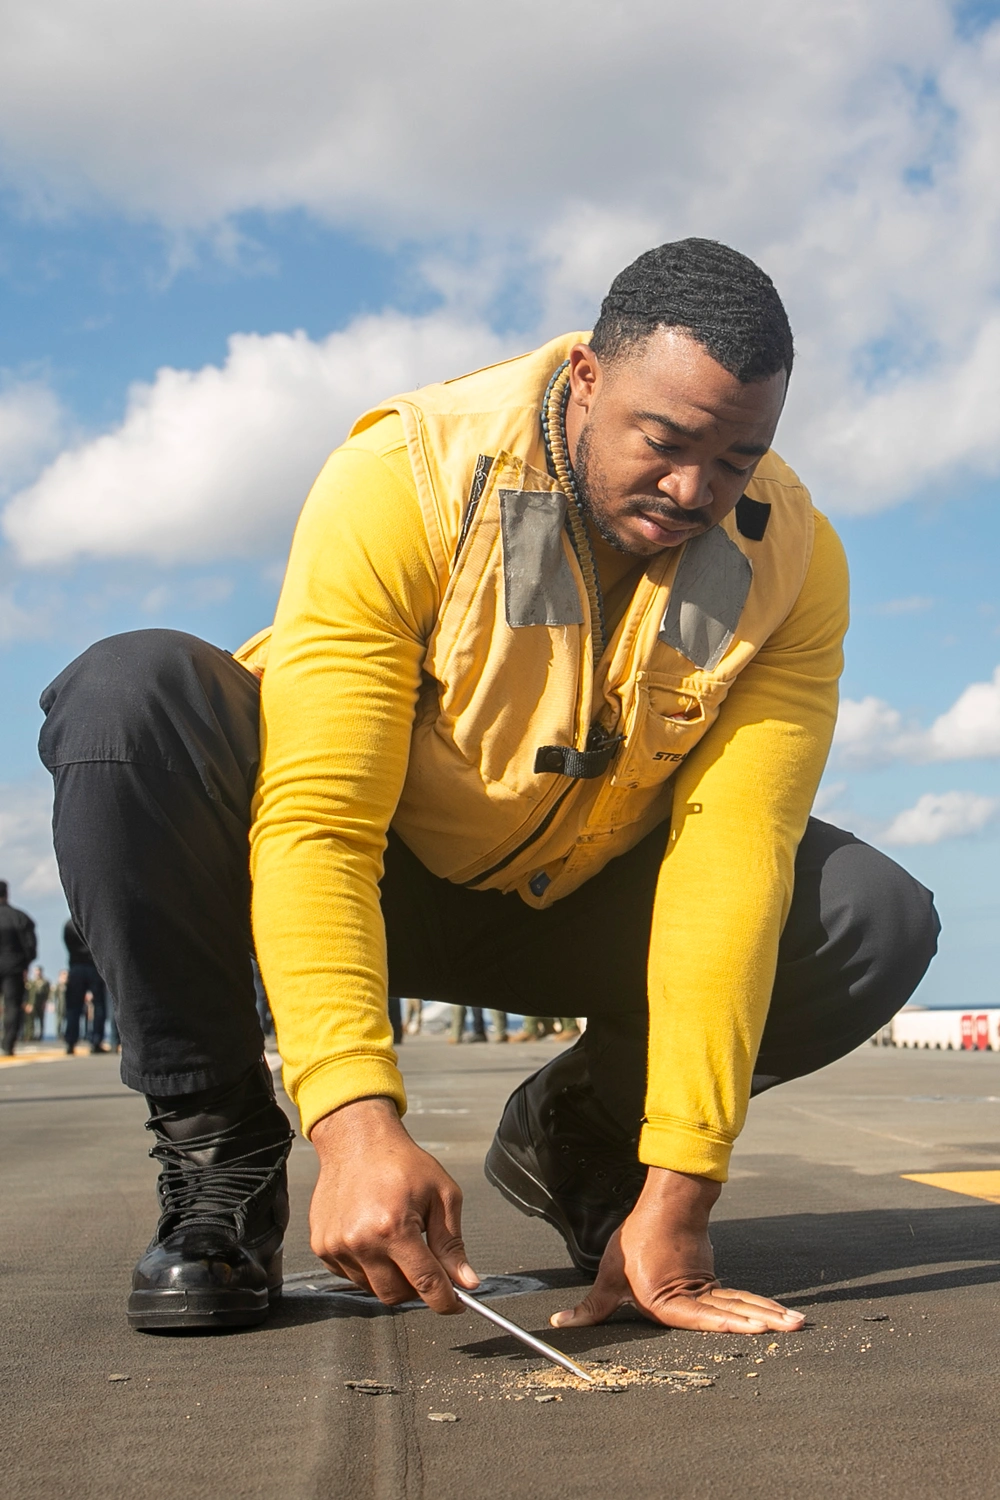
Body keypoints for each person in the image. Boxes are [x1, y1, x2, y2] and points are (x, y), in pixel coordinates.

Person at [38, 239, 939, 1338]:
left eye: (739, 460)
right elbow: (320, 820)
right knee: (128, 701)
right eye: (665, 443)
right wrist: (354, 1125)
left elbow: (729, 855)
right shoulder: (407, 475)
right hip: (376, 868)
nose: (695, 490)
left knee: (868, 915)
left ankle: (577, 1135)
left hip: (572, 896)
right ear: (586, 380)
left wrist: (682, 1189)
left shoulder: (794, 563)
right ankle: (220, 1161)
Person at [0, 881, 37, 1056]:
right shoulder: (19, 917)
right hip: (13, 967)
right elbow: (30, 946)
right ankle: (8, 1044)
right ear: (7, 894)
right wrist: (25, 964)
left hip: (13, 966)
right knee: (12, 1006)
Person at [63, 919, 109, 1055]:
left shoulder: (69, 925)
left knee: (73, 1006)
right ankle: (96, 1040)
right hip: (94, 967)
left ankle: (70, 1041)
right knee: (99, 1005)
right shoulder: (95, 923)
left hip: (76, 967)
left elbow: (68, 945)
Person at [26, 965, 51, 1041]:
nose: (37, 973)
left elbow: (48, 993)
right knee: (31, 1020)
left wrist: (46, 1003)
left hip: (41, 1004)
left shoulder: (45, 982)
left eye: (38, 971)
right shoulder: (31, 982)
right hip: (32, 1004)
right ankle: (30, 1035)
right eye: (36, 971)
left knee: (41, 1020)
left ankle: (40, 1035)